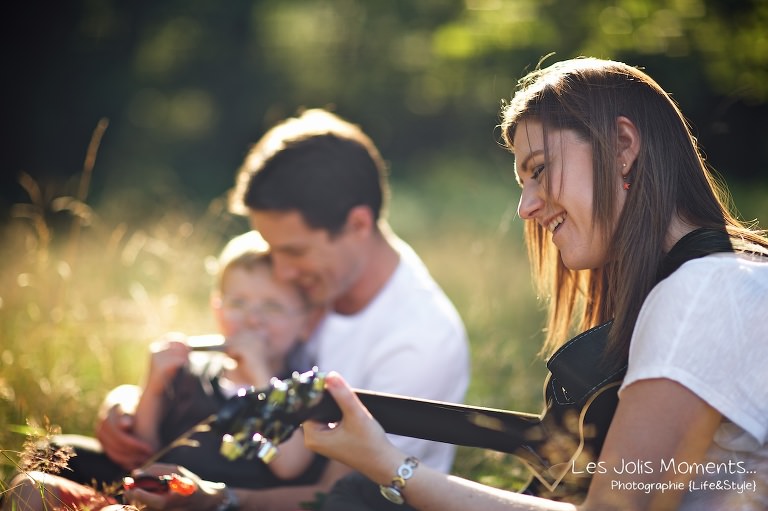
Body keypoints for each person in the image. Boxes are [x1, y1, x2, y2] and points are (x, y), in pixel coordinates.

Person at [299, 57, 768, 511]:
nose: (525, 207)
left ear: (623, 146)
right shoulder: (727, 280)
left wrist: (392, 467)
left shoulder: (703, 293)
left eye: (539, 170)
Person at [122, 108, 471, 511]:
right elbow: (231, 368)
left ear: (358, 225)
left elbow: (339, 495)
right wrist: (129, 404)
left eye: (294, 251)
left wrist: (218, 499)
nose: (282, 271)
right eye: (272, 250)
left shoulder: (418, 343)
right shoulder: (325, 277)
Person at [2, 231, 325, 511]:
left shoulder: (298, 391)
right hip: (143, 499)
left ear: (306, 322)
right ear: (217, 308)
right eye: (238, 303)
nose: (253, 319)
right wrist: (153, 384)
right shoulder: (192, 373)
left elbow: (291, 467)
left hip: (210, 503)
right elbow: (140, 453)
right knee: (30, 483)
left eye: (272, 306)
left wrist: (260, 376)